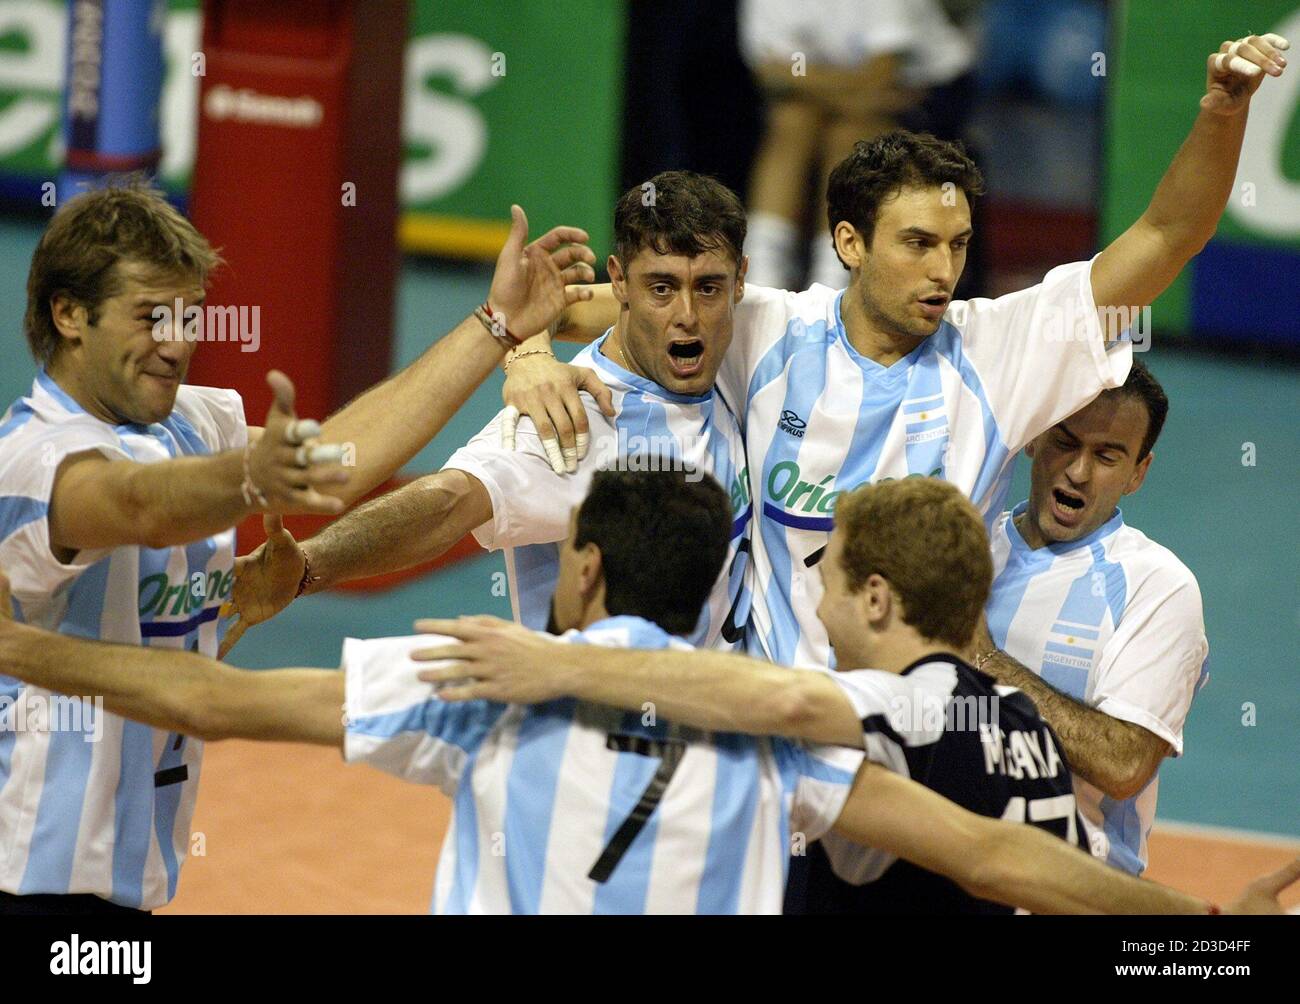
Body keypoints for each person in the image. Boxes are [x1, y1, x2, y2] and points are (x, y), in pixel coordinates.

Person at [0, 470, 1293, 915]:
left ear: (585, 568)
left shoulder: (485, 674)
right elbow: (998, 861)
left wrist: (18, 649)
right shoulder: (778, 726)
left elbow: (208, 701)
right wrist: (1194, 924)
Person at [501, 31, 1289, 674]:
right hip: (772, 737)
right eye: (917, 243)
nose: (944, 269)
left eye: (957, 244)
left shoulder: (1003, 350)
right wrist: (526, 356)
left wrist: (1222, 112)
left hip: (915, 747)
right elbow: (565, 307)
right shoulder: (766, 327)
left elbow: (1166, 235)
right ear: (848, 242)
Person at [0, 179, 595, 914]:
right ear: (69, 314)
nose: (176, 342)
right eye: (149, 317)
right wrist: (252, 478)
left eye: (189, 317)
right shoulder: (35, 459)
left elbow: (342, 460)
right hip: (29, 876)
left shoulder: (192, 423)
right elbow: (137, 505)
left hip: (126, 873)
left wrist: (495, 325)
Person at [407, 477, 1291, 914]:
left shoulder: (909, 706)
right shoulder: (1021, 721)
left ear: (875, 597)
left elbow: (788, 706)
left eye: (825, 569)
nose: (815, 593)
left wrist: (567, 665)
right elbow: (1047, 878)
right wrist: (1210, 935)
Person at [223, 171, 754, 655]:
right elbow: (449, 502)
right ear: (619, 281)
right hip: (611, 735)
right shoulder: (573, 420)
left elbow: (562, 306)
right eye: (661, 288)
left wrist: (528, 346)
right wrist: (312, 566)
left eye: (708, 288)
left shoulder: (743, 337)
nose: (688, 316)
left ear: (739, 282)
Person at [967, 360, 1208, 875]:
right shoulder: (967, 553)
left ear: (1138, 473)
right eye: (1065, 441)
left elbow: (1122, 763)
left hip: (1075, 890)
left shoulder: (1158, 587)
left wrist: (983, 660)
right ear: (1034, 437)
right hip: (951, 869)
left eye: (1106, 456)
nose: (1077, 471)